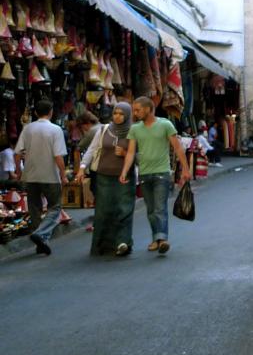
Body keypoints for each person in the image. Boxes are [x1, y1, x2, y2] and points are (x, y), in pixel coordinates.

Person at [119, 97, 191, 255]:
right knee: (151, 210)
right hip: (144, 174)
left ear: (148, 109)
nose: (135, 113)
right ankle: (155, 239)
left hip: (162, 173)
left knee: (160, 208)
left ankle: (163, 239)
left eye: (138, 110)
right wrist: (124, 171)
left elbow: (178, 148)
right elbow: (131, 152)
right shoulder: (135, 129)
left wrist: (186, 169)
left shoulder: (165, 124)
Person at [76, 102, 134, 256]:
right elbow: (92, 150)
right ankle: (102, 245)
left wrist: (126, 154)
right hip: (103, 176)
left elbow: (141, 155)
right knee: (103, 210)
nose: (118, 116)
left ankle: (123, 242)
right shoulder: (104, 130)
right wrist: (82, 168)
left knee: (124, 209)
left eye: (122, 114)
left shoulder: (134, 132)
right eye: (116, 113)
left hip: (125, 176)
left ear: (128, 115)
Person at [14, 99, 68, 256]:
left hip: (30, 175)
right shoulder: (55, 129)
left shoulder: (28, 129)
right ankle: (41, 234)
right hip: (50, 176)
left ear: (36, 113)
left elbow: (17, 154)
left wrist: (18, 171)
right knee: (55, 207)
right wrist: (63, 175)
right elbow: (58, 156)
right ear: (51, 112)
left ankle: (41, 242)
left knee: (35, 208)